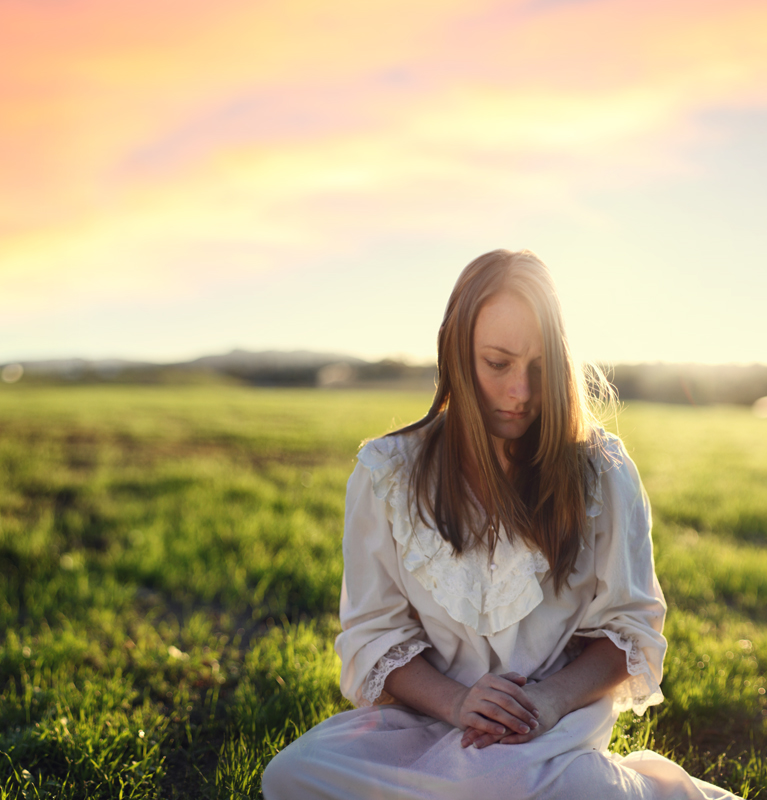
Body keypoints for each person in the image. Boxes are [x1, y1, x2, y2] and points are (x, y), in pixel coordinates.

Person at [262, 250, 742, 800]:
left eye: (540, 368)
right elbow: (376, 635)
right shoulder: (387, 473)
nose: (522, 393)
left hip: (543, 736)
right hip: (427, 721)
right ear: (456, 354)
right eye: (498, 363)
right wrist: (457, 703)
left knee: (518, 784)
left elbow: (630, 631)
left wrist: (547, 702)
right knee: (293, 775)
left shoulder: (601, 471)